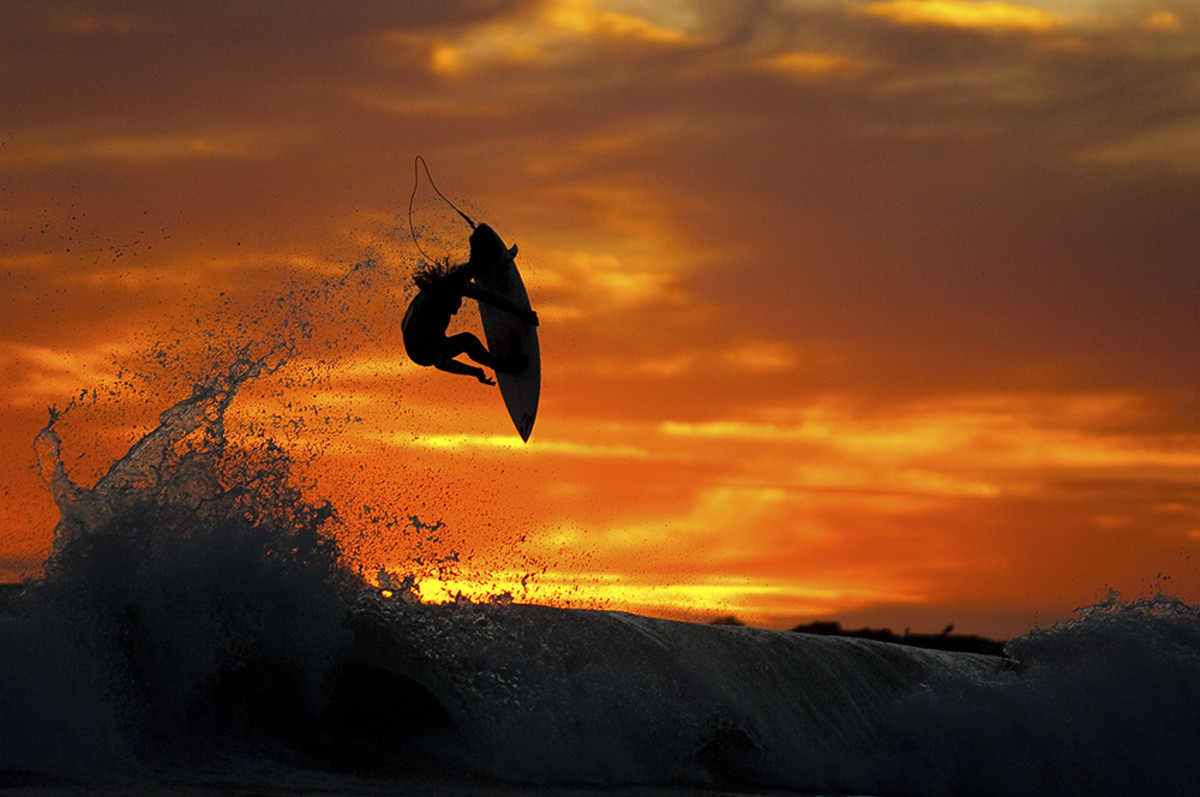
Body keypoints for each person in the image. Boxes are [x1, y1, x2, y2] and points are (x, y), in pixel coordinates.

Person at [402, 224, 538, 385]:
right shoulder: (430, 320)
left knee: (467, 271)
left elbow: (490, 297)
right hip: (420, 351)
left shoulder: (455, 286)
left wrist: (521, 312)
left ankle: (489, 259)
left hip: (428, 307)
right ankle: (504, 366)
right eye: (455, 304)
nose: (457, 309)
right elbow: (440, 362)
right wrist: (473, 372)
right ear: (444, 304)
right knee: (468, 341)